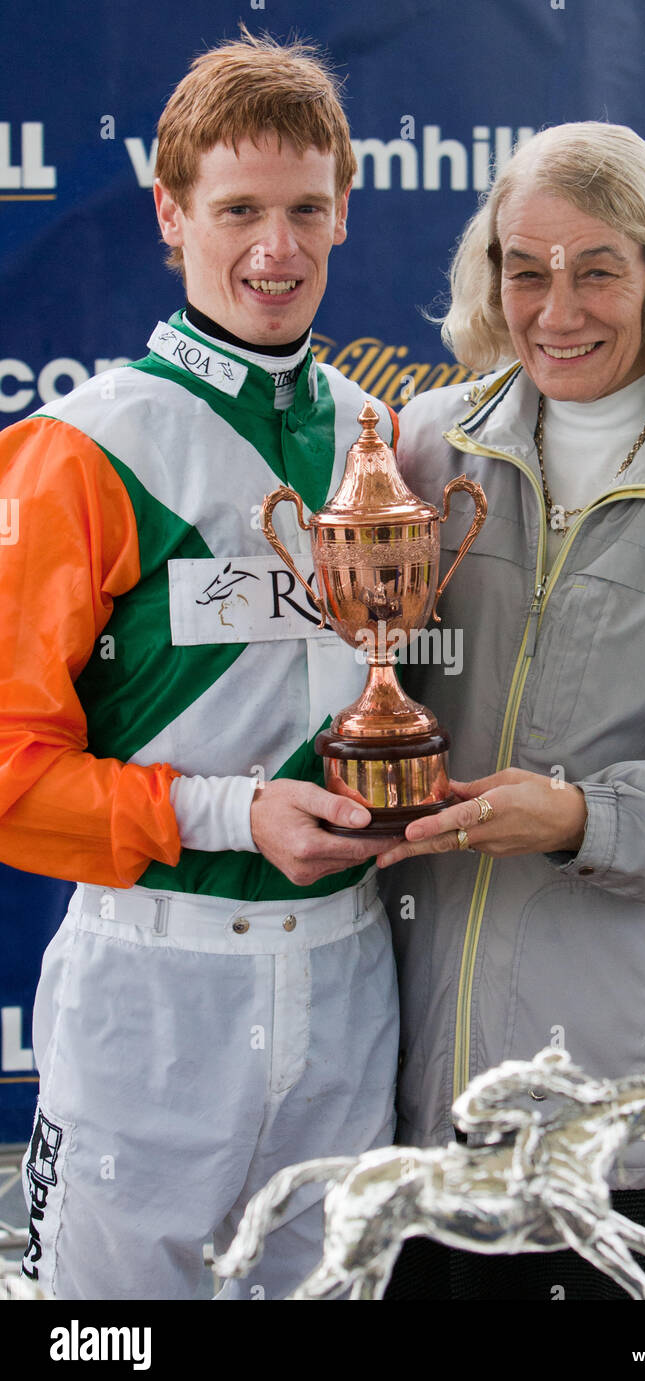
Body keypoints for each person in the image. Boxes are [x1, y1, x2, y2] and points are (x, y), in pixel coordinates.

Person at [378, 121, 645, 1299]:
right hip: (422, 1105)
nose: (554, 307)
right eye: (525, 267)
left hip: (626, 1119)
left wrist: (578, 816)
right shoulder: (421, 451)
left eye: (596, 269)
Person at [0, 31, 403, 1300]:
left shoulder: (378, 437)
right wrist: (230, 810)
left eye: (304, 211)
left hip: (351, 978)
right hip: (154, 989)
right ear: (172, 216)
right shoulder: (83, 444)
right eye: (237, 210)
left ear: (344, 214)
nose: (274, 250)